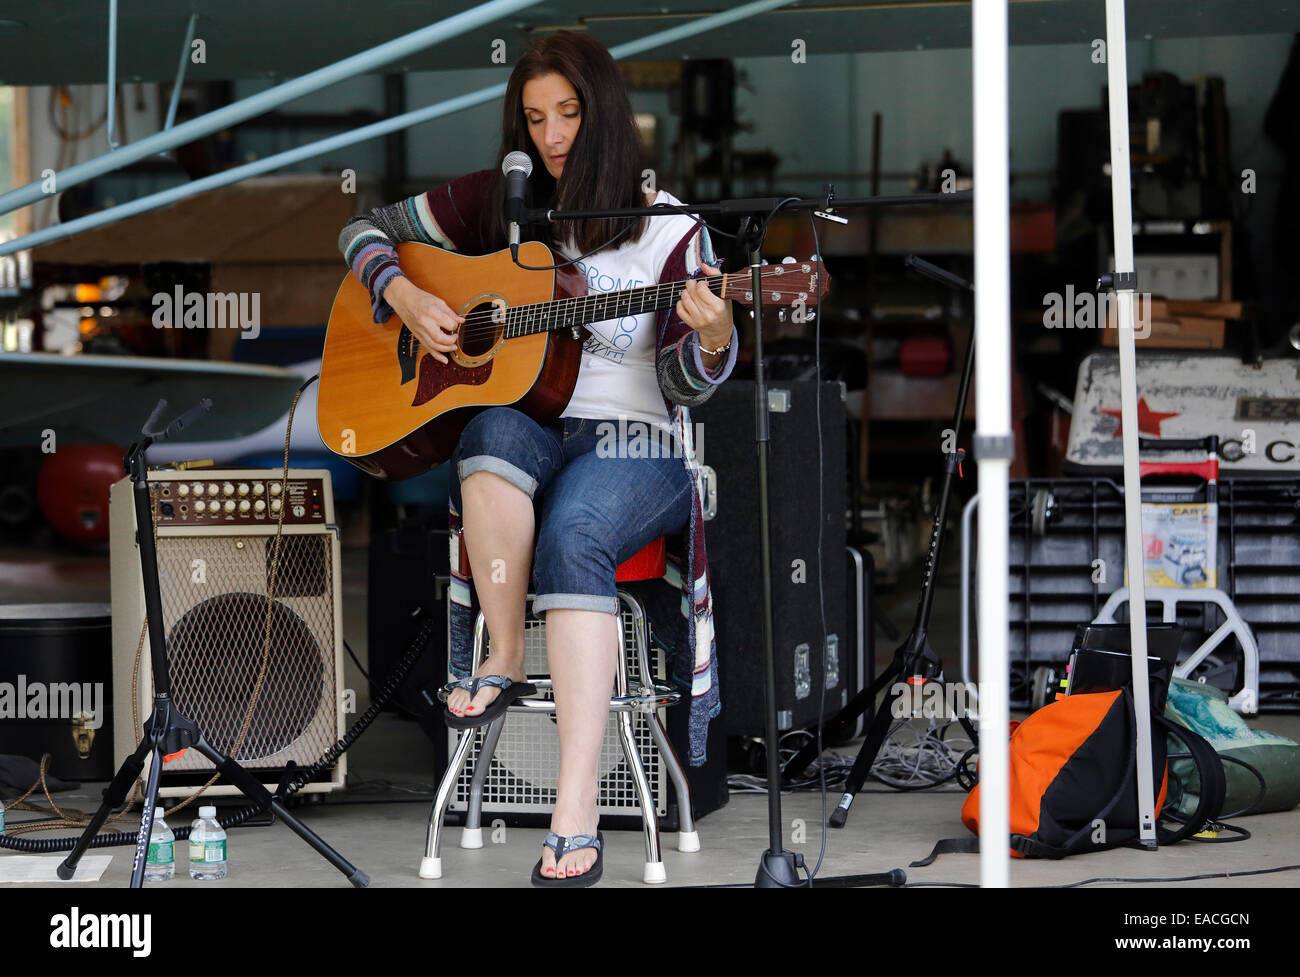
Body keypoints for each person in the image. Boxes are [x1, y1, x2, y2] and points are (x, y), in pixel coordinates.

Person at [339, 31, 737, 886]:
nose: (551, 135)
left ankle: (575, 809)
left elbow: (687, 384)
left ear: (606, 115)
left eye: (568, 113)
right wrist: (402, 293)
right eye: (533, 117)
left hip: (636, 444)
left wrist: (714, 336)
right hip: (536, 429)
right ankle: (507, 658)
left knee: (575, 530)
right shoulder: (504, 200)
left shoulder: (672, 230)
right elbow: (362, 227)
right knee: (485, 440)